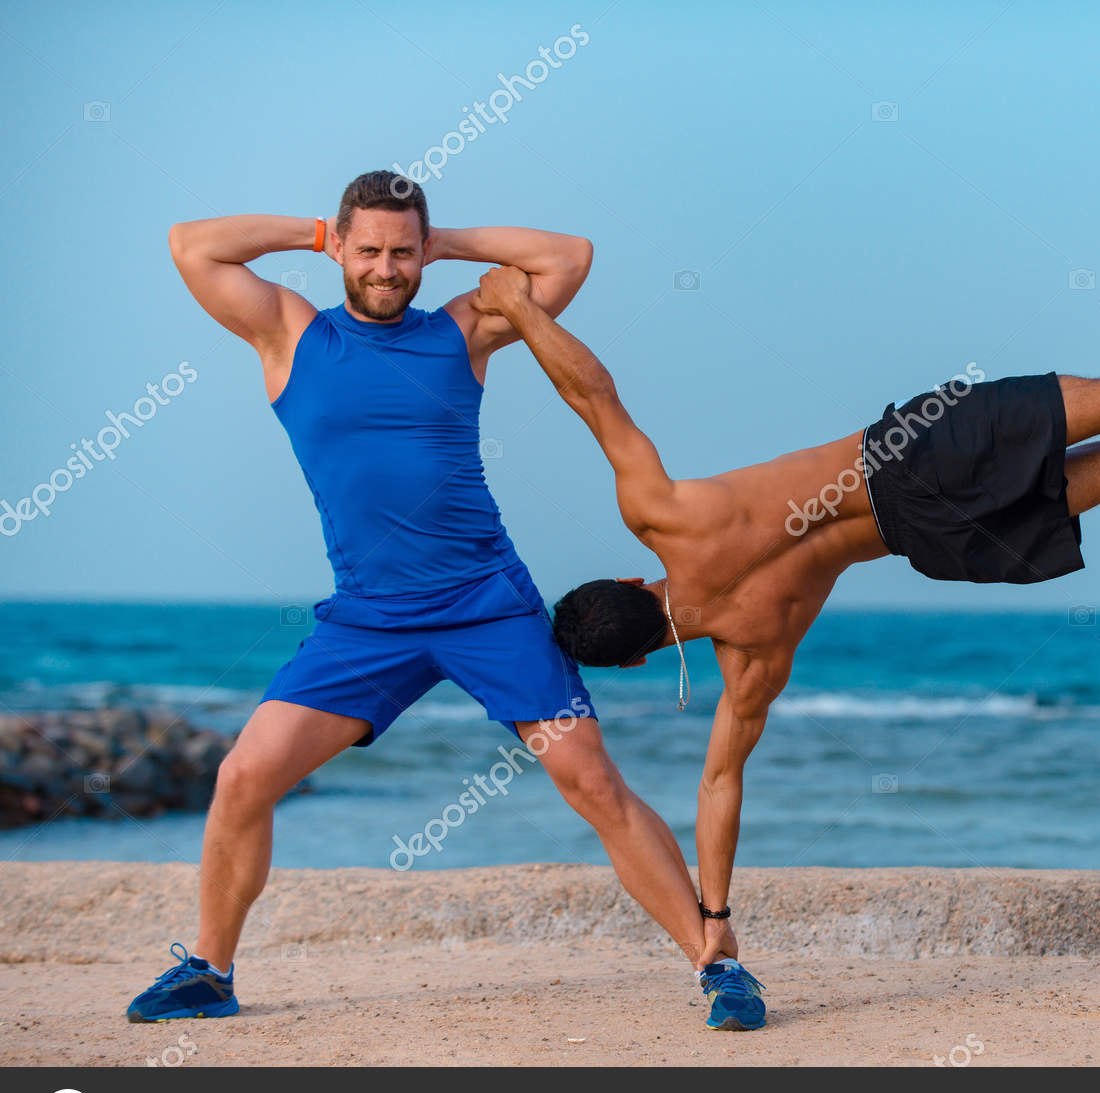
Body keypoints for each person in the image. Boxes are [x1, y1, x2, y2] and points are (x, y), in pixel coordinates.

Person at [468, 263, 1100, 972]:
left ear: (640, 656)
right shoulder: (662, 514)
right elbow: (593, 394)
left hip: (932, 541)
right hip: (911, 460)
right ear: (631, 585)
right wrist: (520, 310)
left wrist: (713, 925)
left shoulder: (753, 649)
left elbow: (721, 784)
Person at [128, 173, 766, 1033]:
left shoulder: (461, 331)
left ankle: (715, 964)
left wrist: (447, 242)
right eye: (369, 250)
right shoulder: (290, 334)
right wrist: (316, 229)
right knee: (242, 775)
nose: (387, 268)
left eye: (402, 251)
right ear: (341, 250)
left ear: (421, 253)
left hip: (486, 607)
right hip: (367, 620)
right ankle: (210, 969)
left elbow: (566, 257)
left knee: (592, 782)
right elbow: (191, 243)